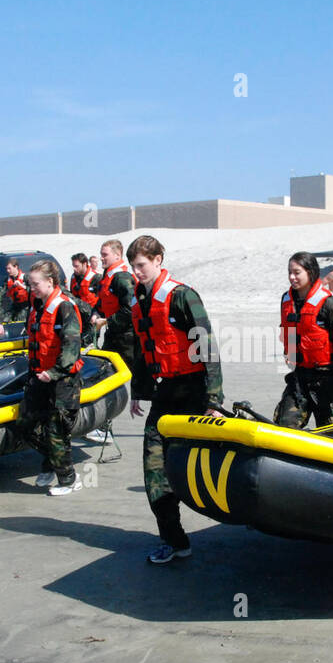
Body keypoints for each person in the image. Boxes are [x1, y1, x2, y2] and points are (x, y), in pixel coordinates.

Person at [127, 235, 224, 564]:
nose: (137, 272)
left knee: (204, 465)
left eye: (141, 265)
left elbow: (206, 346)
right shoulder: (139, 303)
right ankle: (174, 540)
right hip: (165, 394)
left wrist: (213, 399)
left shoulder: (182, 296)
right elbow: (143, 351)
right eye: (133, 267)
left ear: (157, 260)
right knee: (153, 469)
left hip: (195, 391)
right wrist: (139, 392)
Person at [19, 260, 84, 496]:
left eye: (35, 284)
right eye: (29, 284)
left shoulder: (64, 307)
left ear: (50, 282)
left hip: (62, 381)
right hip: (39, 377)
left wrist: (54, 372)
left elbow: (71, 347)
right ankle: (50, 463)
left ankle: (68, 479)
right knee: (26, 424)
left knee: (57, 430)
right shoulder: (38, 306)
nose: (31, 288)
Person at [275, 251, 333, 427]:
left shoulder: (328, 304)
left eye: (297, 272)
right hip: (299, 379)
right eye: (289, 272)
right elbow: (289, 332)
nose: (292, 277)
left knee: (331, 435)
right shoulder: (286, 300)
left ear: (310, 272)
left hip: (327, 380)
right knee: (284, 426)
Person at [88, 238, 138, 444]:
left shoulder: (122, 278)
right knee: (106, 379)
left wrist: (106, 321)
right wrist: (95, 314)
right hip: (113, 336)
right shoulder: (107, 278)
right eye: (100, 254)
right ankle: (104, 428)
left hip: (127, 339)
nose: (101, 258)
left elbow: (131, 309)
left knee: (143, 381)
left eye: (105, 254)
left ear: (117, 256)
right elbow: (102, 302)